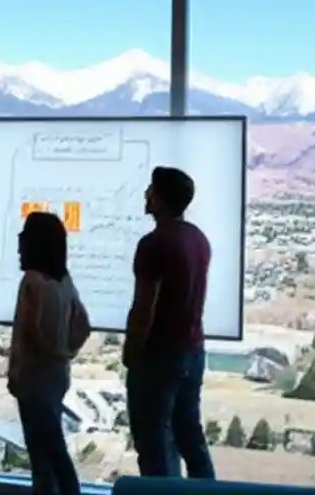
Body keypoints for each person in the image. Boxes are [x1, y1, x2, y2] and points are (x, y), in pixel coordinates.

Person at [123, 166, 216, 479]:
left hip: (159, 356)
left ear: (160, 200)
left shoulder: (154, 244)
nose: (146, 194)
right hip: (193, 350)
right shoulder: (198, 239)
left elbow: (144, 307)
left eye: (151, 189)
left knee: (153, 444)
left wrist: (132, 350)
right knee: (190, 436)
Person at [8, 212, 92, 495]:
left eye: (24, 237)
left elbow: (28, 330)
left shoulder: (31, 282)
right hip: (57, 376)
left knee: (45, 455)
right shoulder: (64, 281)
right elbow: (83, 325)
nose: (19, 243)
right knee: (53, 448)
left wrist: (19, 369)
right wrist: (66, 351)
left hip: (33, 378)